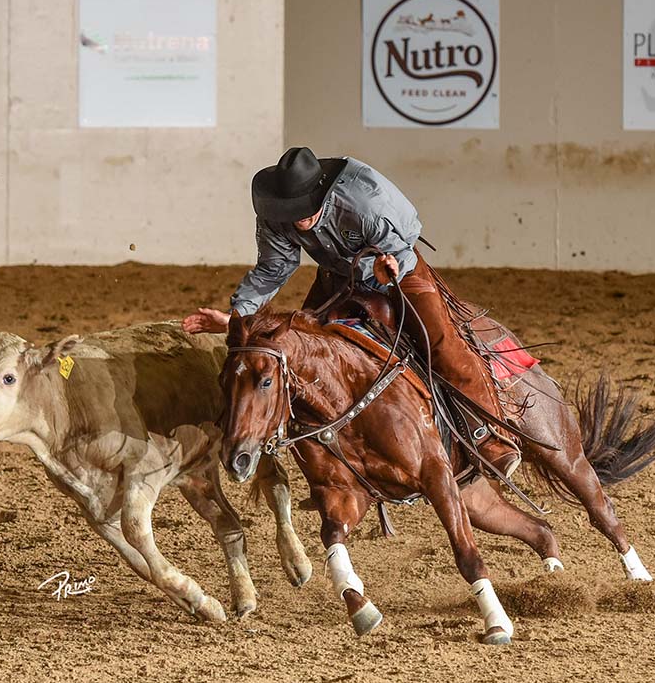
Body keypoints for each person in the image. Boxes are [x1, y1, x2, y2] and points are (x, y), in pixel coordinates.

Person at [182, 146, 521, 478]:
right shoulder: (276, 213)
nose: (300, 218)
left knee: (441, 341)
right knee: (304, 353)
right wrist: (238, 317)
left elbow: (402, 250)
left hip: (396, 271)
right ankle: (330, 470)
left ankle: (490, 435)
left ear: (322, 194)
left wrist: (385, 268)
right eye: (292, 212)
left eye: (306, 209)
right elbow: (273, 268)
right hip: (337, 276)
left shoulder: (367, 200)